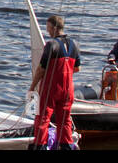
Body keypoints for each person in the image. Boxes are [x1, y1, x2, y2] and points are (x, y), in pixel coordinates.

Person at [29, 14, 81, 149]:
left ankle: (39, 146)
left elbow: (41, 69)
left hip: (52, 87)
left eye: (48, 28)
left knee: (43, 119)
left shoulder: (51, 45)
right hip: (68, 88)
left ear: (53, 28)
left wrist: (32, 86)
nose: (47, 31)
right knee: (65, 120)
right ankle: (67, 146)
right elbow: (77, 68)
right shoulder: (74, 44)